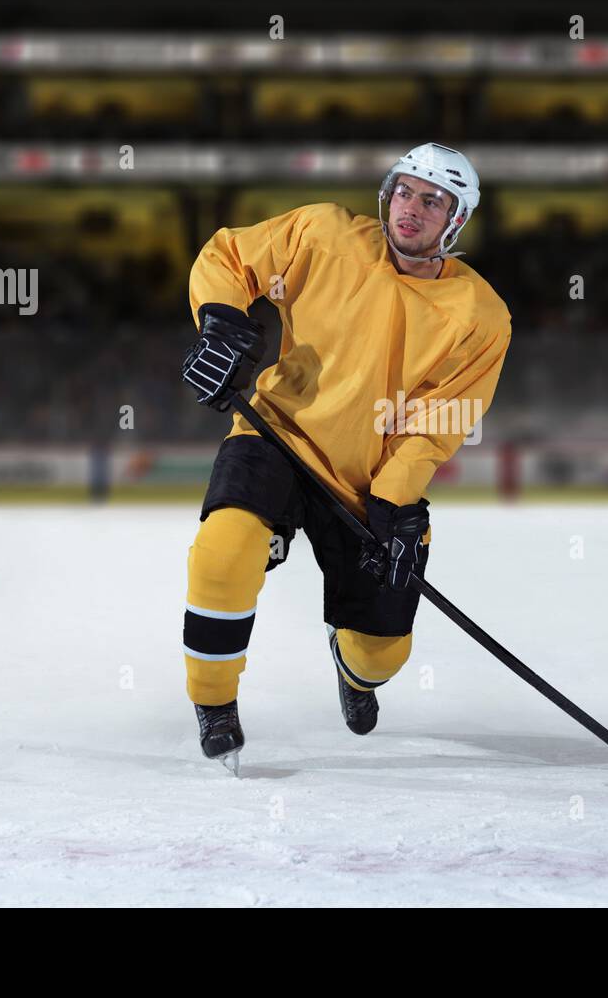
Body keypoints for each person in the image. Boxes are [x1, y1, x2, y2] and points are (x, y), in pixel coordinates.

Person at [179, 143, 512, 773]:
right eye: (406, 191)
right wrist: (220, 321)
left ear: (456, 220)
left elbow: (442, 422)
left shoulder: (481, 315)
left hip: (369, 482)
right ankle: (216, 707)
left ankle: (353, 670)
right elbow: (229, 256)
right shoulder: (323, 233)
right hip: (278, 434)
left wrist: (394, 500)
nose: (412, 209)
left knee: (382, 653)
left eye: (433, 201)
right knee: (224, 553)